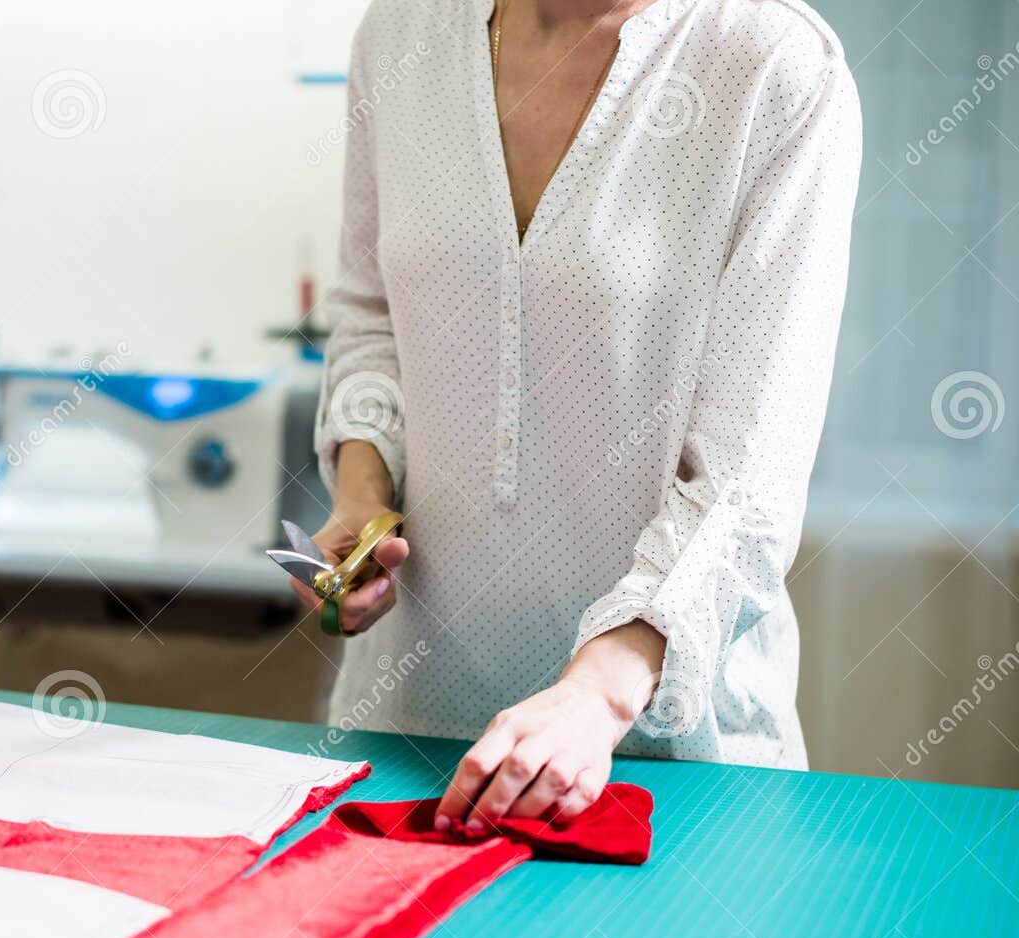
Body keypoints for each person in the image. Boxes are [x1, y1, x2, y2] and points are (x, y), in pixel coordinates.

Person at [297, 0, 861, 828]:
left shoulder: (776, 67)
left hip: (670, 762)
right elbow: (371, 310)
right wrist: (363, 491)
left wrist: (595, 694)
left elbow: (750, 473)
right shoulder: (401, 35)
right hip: (409, 736)